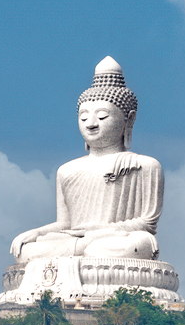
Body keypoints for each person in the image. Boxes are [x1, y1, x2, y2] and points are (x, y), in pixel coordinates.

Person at [9, 57, 163, 263]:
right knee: (27, 251)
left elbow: (147, 224)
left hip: (115, 240)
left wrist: (100, 231)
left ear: (129, 118)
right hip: (76, 240)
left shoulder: (145, 166)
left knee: (132, 245)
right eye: (83, 117)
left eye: (101, 116)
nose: (91, 124)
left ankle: (83, 251)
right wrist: (37, 233)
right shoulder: (67, 170)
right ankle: (81, 250)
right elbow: (65, 224)